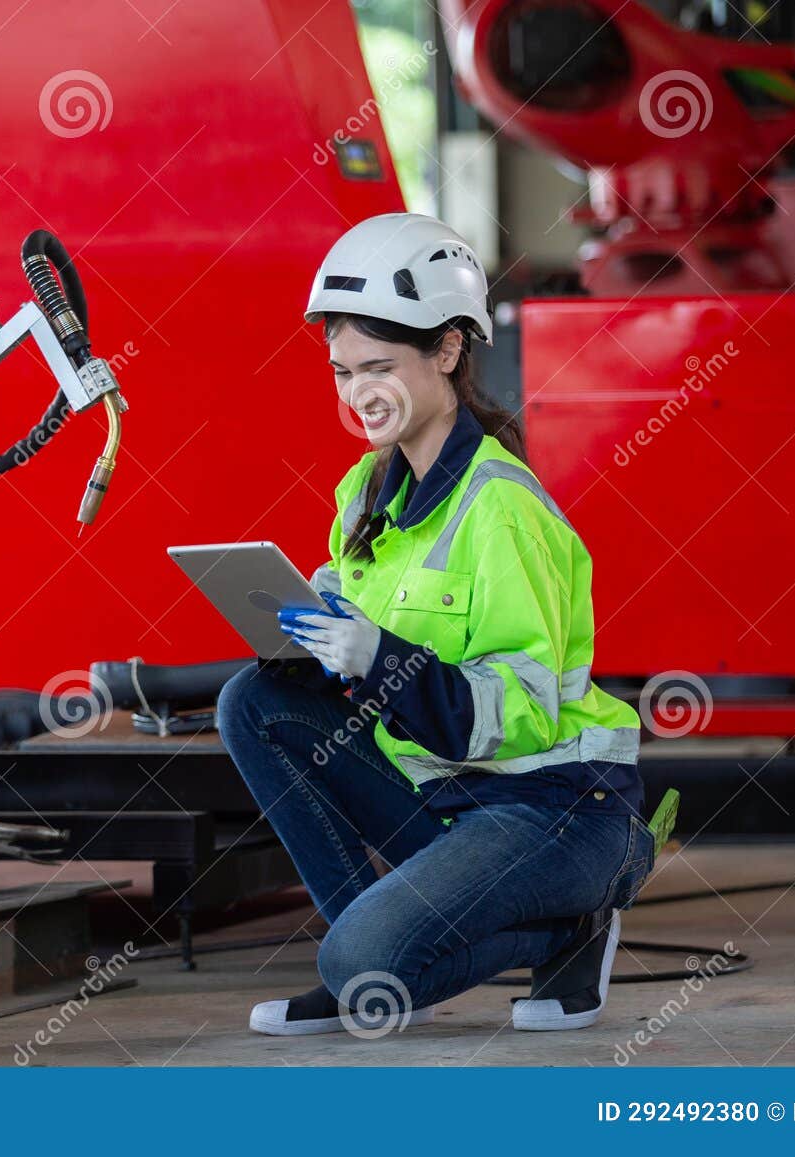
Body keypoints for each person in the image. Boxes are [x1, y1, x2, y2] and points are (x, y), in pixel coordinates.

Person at [216, 213, 655, 1037]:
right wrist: (313, 644)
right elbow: (359, 671)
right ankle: (361, 960)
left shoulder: (502, 509)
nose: (357, 392)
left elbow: (518, 712)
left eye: (378, 367)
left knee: (362, 961)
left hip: (558, 809)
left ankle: (563, 924)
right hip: (447, 795)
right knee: (252, 702)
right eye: (343, 370)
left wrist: (379, 656)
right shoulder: (364, 493)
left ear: (448, 350)